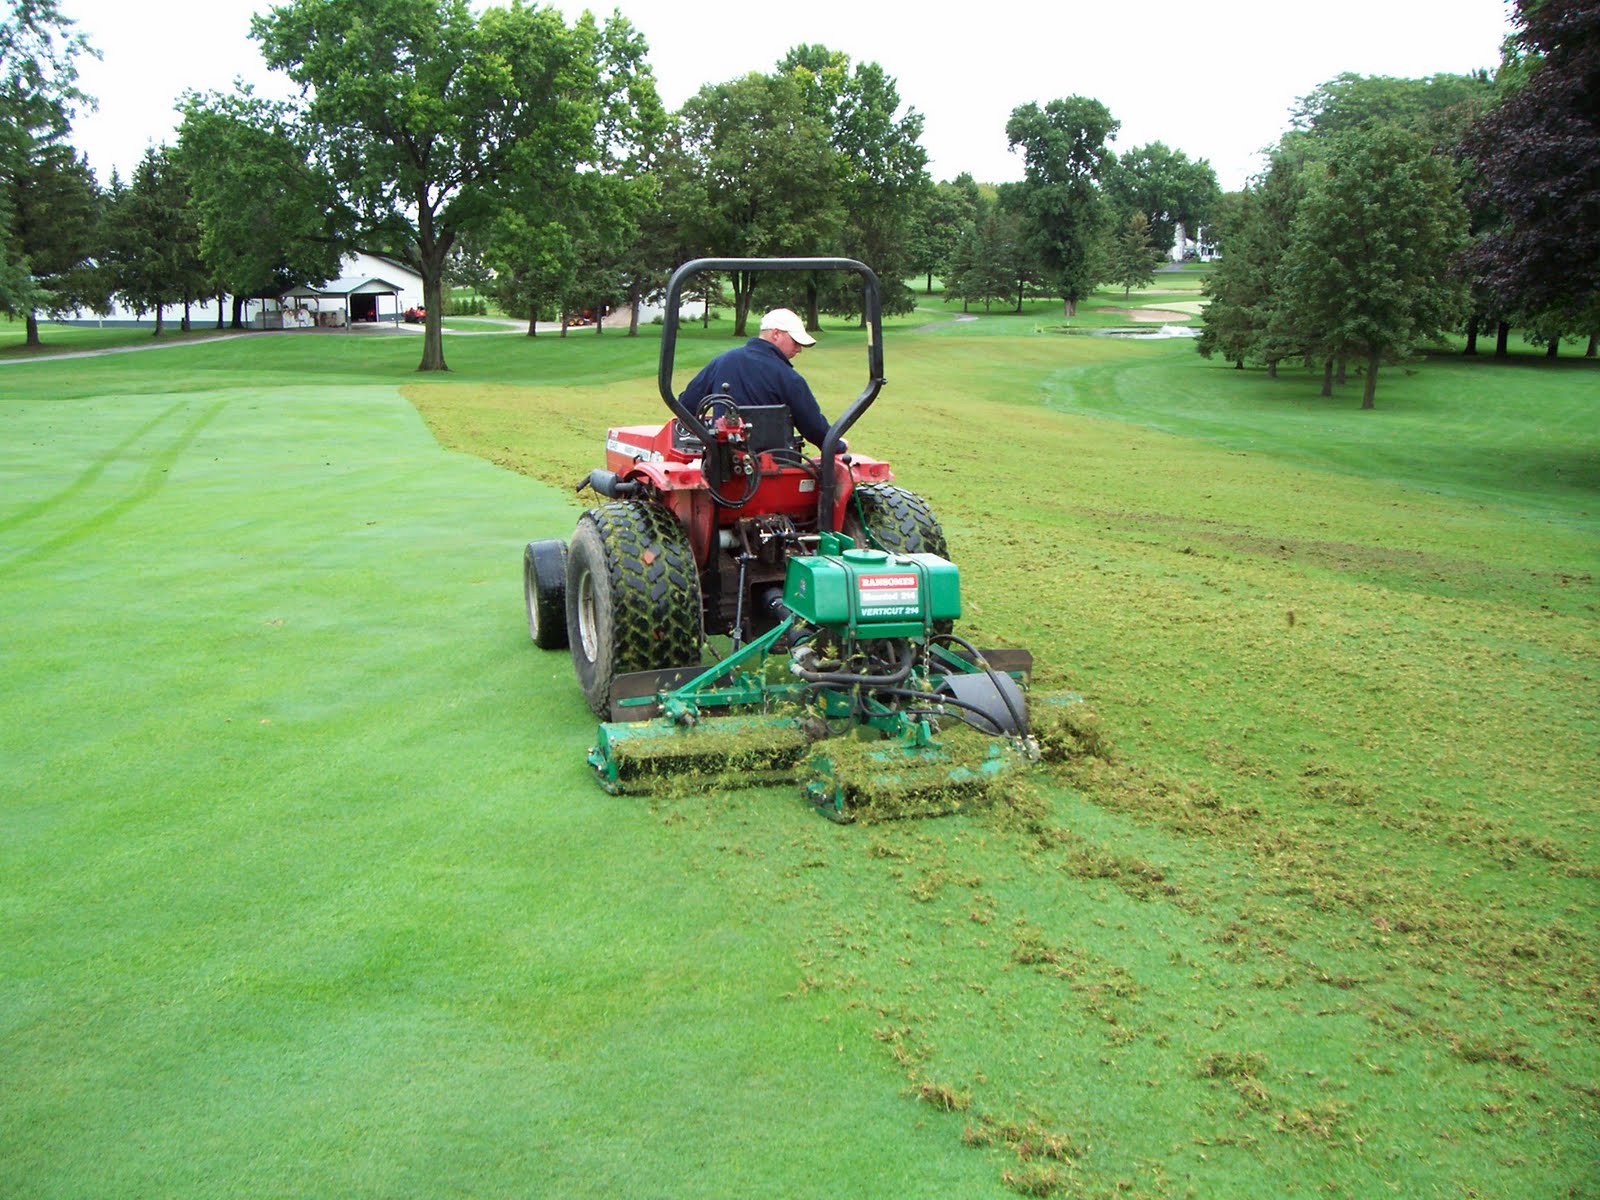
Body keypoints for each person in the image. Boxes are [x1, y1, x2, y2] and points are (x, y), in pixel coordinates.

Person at [677, 308, 843, 452]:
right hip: (776, 472)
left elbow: (686, 405)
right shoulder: (789, 377)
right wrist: (838, 445)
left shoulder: (722, 362)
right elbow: (814, 428)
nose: (799, 349)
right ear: (776, 334)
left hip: (721, 470)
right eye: (795, 342)